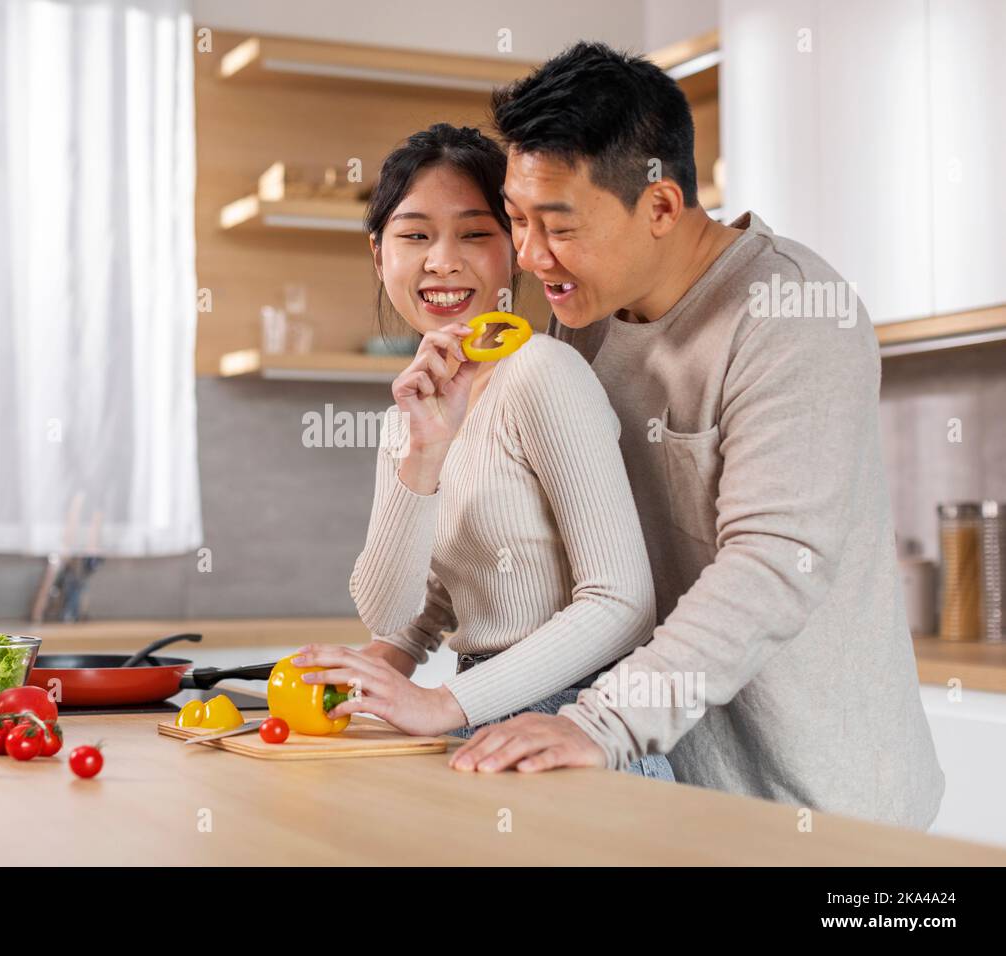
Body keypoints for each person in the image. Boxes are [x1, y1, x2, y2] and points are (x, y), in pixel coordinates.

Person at [445, 42, 943, 829]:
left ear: (661, 206)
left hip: (823, 809)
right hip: (677, 786)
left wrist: (600, 722)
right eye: (517, 219)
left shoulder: (791, 316)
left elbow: (772, 564)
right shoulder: (584, 318)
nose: (530, 257)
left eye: (559, 226)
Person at [292, 122, 672, 780]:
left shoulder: (542, 372)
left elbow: (622, 602)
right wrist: (371, 671)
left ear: (515, 251)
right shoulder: (414, 412)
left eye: (474, 234)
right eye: (415, 236)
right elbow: (393, 614)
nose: (443, 261)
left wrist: (443, 702)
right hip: (485, 725)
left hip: (576, 727)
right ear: (379, 255)